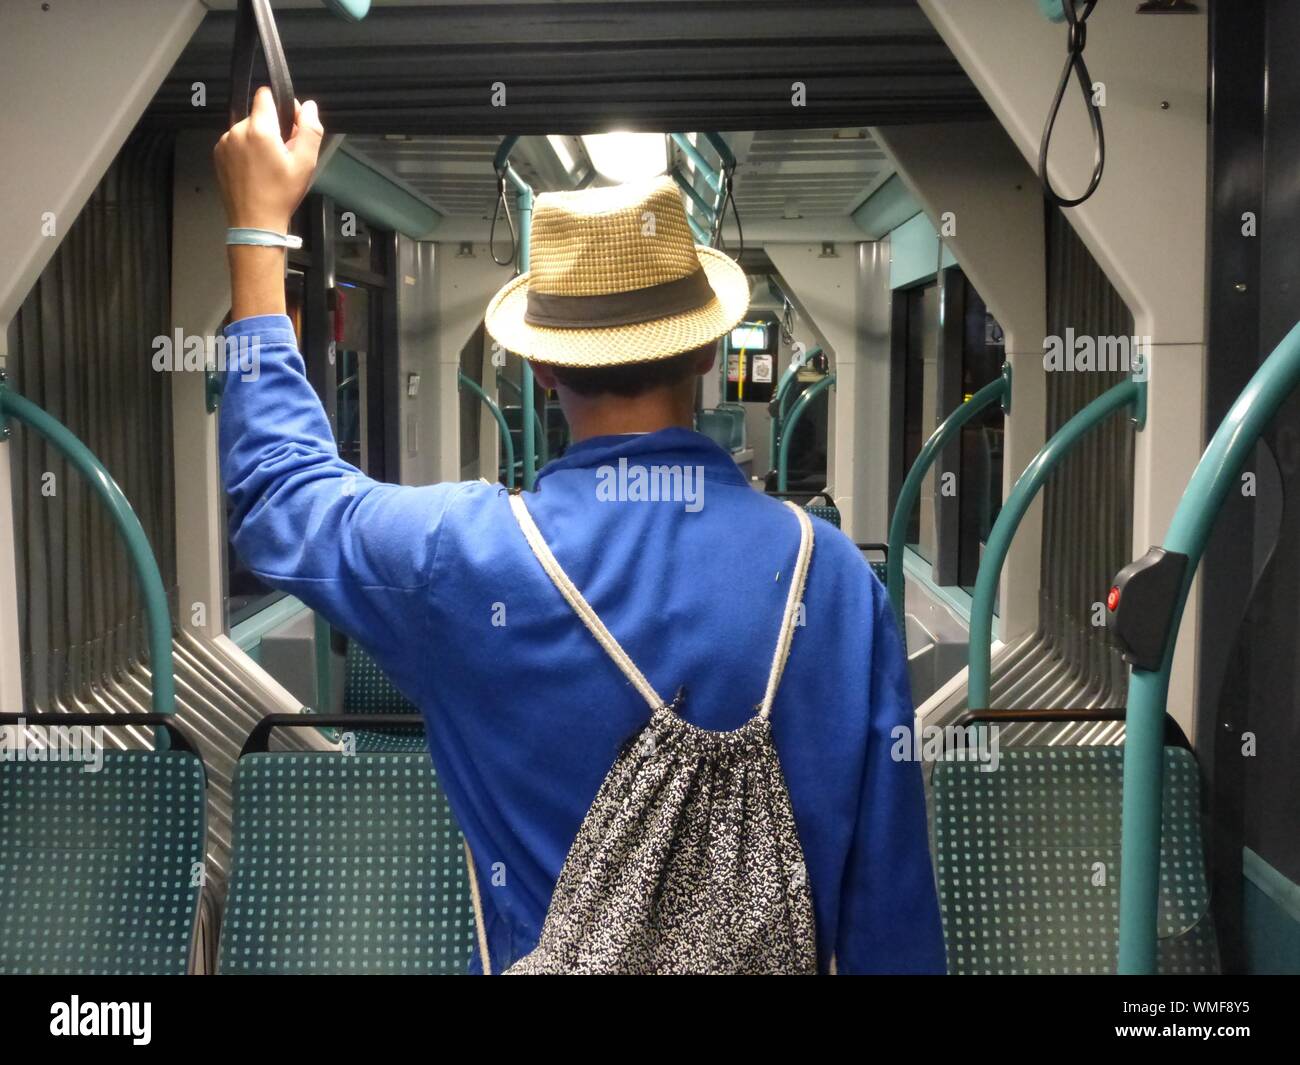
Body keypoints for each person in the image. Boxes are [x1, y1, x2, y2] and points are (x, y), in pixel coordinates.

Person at [215, 88, 945, 974]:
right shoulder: (832, 580)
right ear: (711, 347)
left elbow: (276, 496)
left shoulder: (464, 561)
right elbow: (892, 921)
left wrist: (258, 236)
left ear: (540, 360)